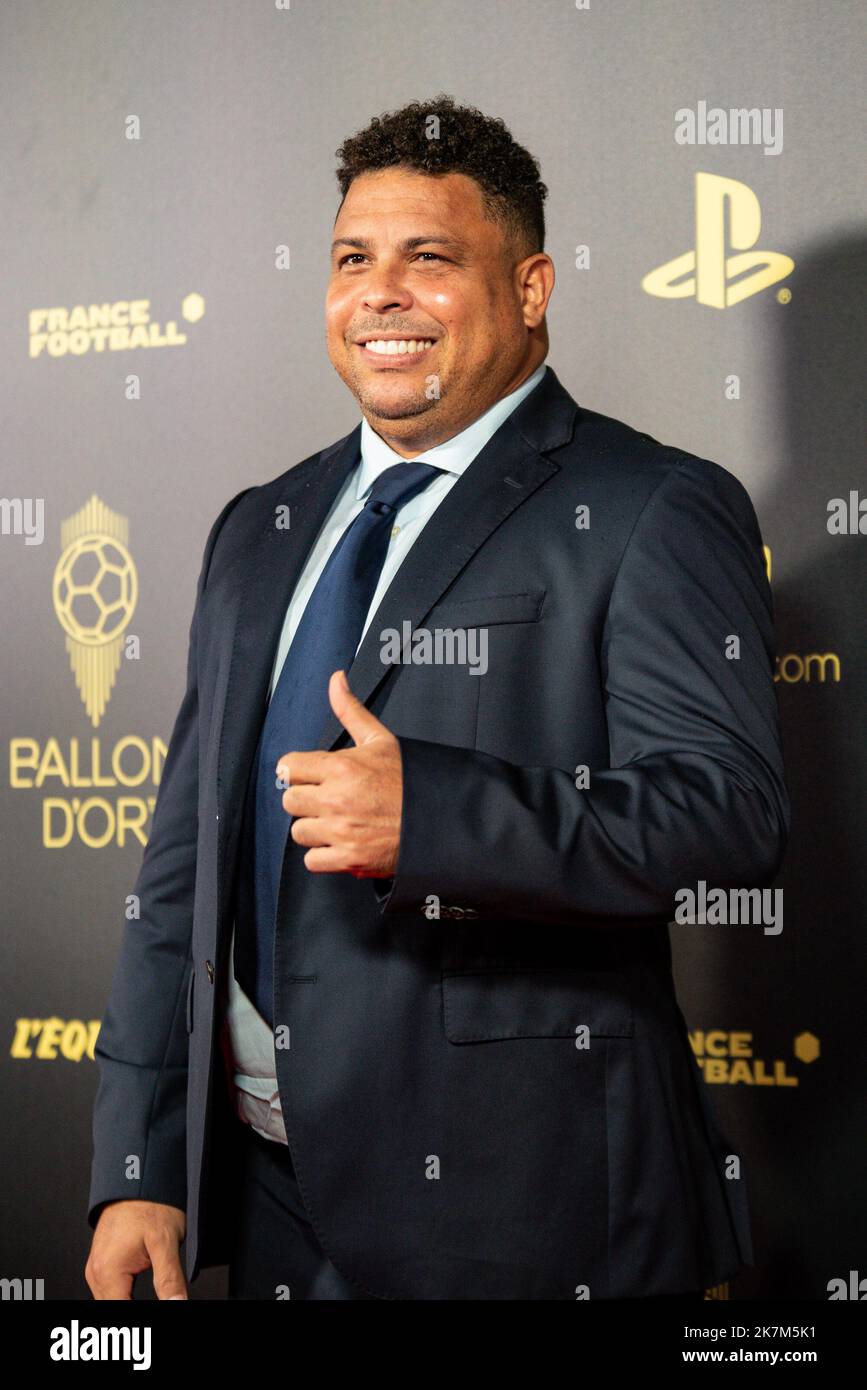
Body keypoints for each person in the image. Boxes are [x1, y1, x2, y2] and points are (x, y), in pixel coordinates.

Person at [85, 96, 789, 1301]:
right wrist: (140, 1159)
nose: (381, 293)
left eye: (431, 258)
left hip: (530, 1212)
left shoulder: (650, 503)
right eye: (354, 259)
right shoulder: (261, 525)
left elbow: (727, 811)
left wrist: (440, 822)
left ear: (530, 288)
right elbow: (180, 871)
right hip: (267, 1204)